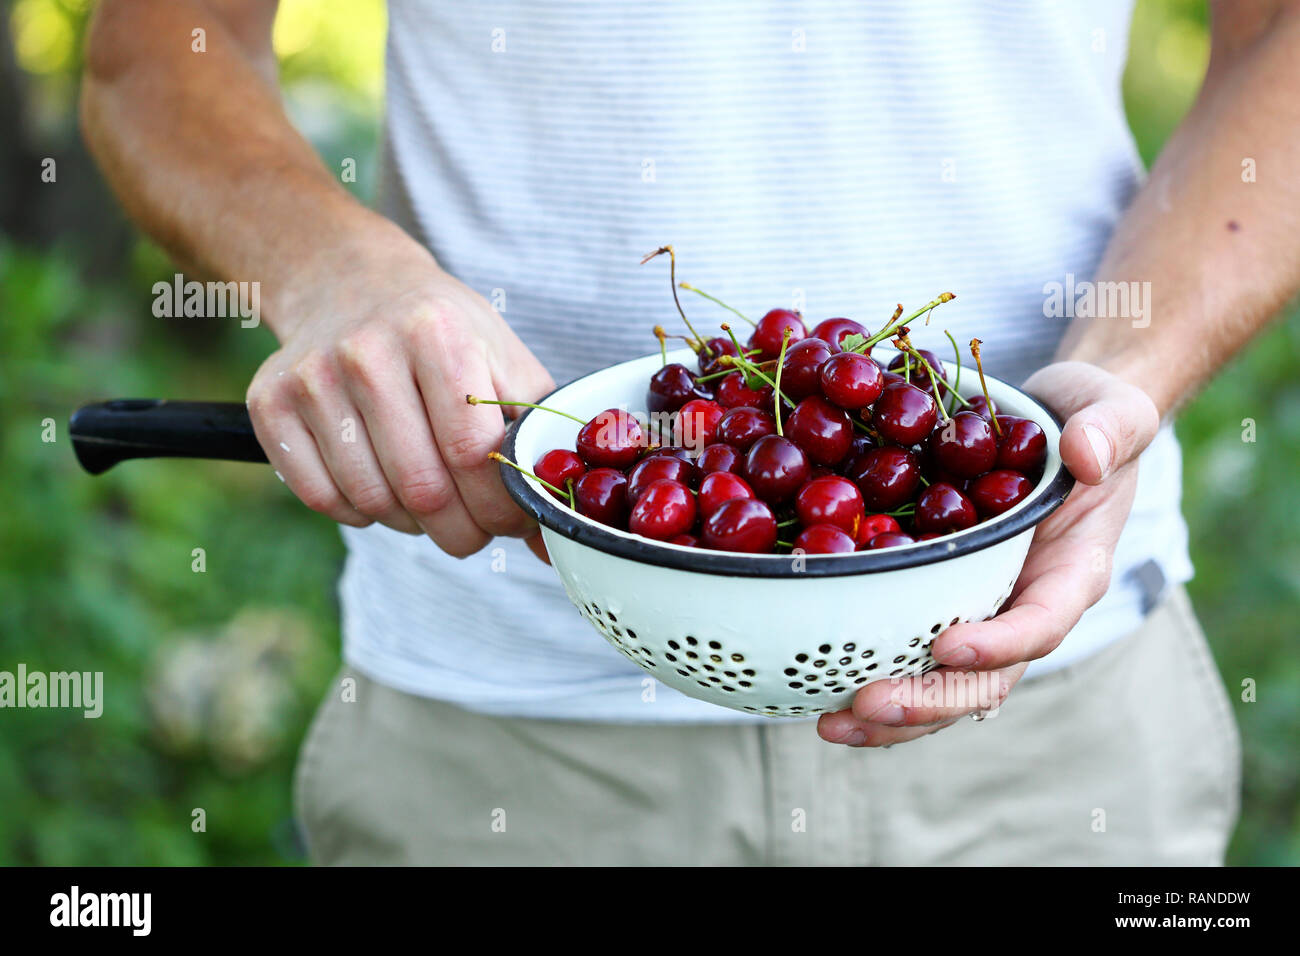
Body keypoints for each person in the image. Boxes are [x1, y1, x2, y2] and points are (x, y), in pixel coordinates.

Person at [81, 0, 1288, 865]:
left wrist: (1124, 372)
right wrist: (330, 268)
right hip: (502, 742)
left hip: (1052, 715)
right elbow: (155, 53)